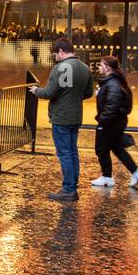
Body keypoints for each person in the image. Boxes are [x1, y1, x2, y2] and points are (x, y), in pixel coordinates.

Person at [30, 37, 94, 201]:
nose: (54, 57)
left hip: (61, 117)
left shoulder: (60, 67)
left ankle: (68, 189)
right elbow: (88, 93)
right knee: (72, 152)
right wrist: (73, 96)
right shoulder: (85, 68)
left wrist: (37, 90)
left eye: (54, 54)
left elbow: (49, 92)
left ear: (60, 51)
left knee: (64, 153)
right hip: (75, 116)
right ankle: (73, 185)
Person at [89, 55, 138, 188]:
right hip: (116, 121)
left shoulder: (113, 84)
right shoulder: (113, 82)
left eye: (101, 65)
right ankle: (136, 172)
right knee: (116, 148)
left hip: (111, 122)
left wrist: (102, 123)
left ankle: (107, 177)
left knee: (101, 149)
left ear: (108, 68)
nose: (99, 67)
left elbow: (111, 108)